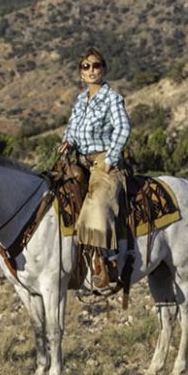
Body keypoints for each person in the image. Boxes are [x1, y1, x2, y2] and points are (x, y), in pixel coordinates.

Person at [56, 47, 132, 288]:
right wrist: (68, 141)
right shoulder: (80, 99)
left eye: (96, 65)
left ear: (103, 69)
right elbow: (72, 128)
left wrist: (111, 159)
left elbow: (123, 128)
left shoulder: (112, 98)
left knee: (98, 203)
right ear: (80, 73)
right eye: (85, 66)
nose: (91, 70)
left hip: (104, 162)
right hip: (81, 161)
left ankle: (109, 262)